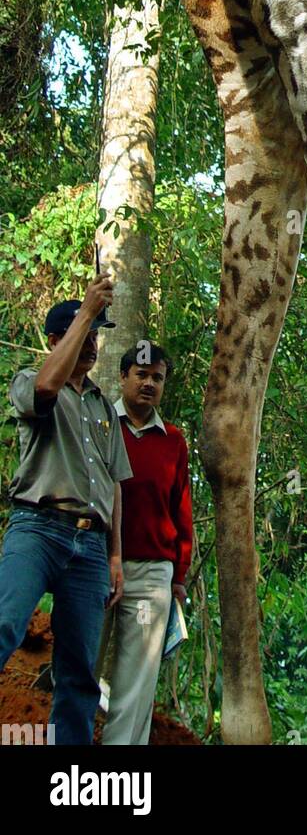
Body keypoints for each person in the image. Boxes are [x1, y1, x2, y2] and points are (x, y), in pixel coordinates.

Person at [0, 277, 131, 744]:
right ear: (57, 339)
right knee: (5, 623)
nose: (93, 341)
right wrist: (84, 312)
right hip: (37, 529)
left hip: (90, 547)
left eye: (97, 332)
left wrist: (114, 557)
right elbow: (45, 387)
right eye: (84, 331)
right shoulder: (31, 382)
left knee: (78, 672)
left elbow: (115, 488)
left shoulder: (103, 407)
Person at [101, 343, 193, 745]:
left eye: (157, 377)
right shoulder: (100, 425)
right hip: (95, 565)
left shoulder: (174, 441)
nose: (149, 383)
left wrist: (179, 576)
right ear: (123, 378)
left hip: (151, 576)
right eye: (141, 374)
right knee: (79, 663)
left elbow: (181, 510)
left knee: (135, 683)